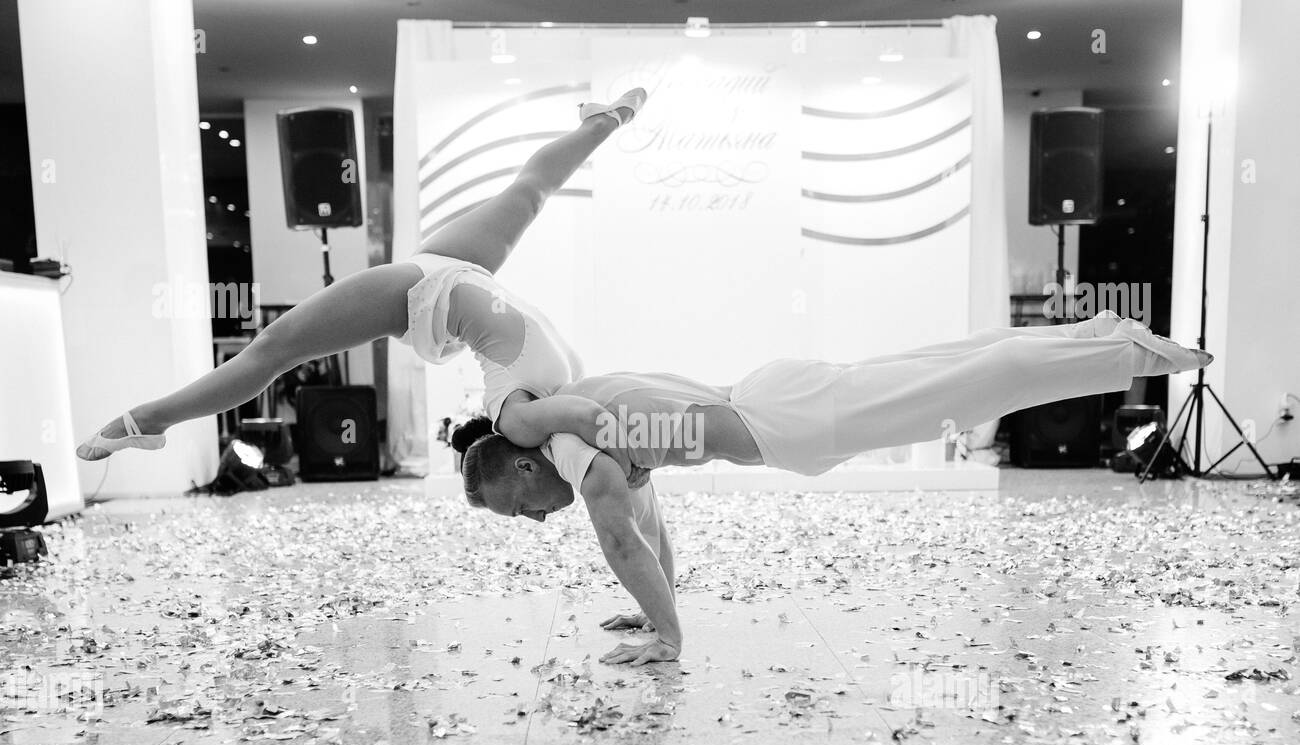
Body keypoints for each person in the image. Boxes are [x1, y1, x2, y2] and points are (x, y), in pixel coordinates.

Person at [452, 312, 1212, 665]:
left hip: (789, 424)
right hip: (776, 395)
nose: (539, 521)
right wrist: (661, 611)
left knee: (956, 390)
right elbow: (653, 531)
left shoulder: (577, 452)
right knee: (933, 364)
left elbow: (622, 538)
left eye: (524, 509)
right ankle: (1090, 334)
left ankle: (1120, 353)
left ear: (523, 467)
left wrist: (669, 638)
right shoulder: (585, 432)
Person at [76, 89, 650, 464]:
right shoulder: (546, 404)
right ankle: (603, 120)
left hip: (432, 291)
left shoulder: (547, 398)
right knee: (529, 192)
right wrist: (629, 455)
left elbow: (588, 418)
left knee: (273, 349)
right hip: (446, 282)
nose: (540, 512)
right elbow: (585, 421)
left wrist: (626, 454)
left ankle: (148, 419)